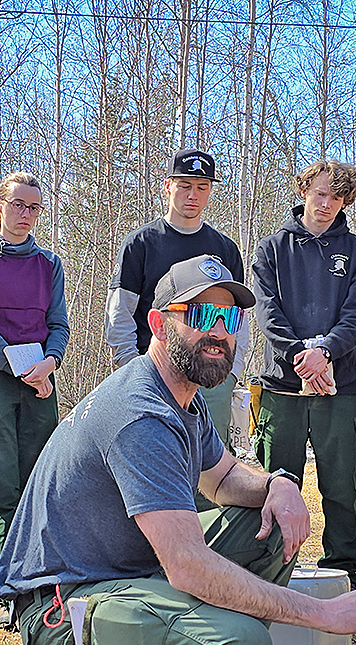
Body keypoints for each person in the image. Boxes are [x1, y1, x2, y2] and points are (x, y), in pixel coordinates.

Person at [0, 255, 356, 645]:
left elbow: (223, 480)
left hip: (123, 575)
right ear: (159, 324)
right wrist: (323, 614)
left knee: (264, 529)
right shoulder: (142, 415)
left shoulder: (184, 395)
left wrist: (278, 483)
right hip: (59, 605)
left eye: (230, 318)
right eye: (203, 316)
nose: (220, 333)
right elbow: (188, 567)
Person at [251, 160, 356, 587]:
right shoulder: (271, 249)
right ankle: (270, 569)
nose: (326, 204)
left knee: (340, 486)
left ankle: (342, 571)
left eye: (336, 198)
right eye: (320, 193)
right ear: (304, 190)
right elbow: (267, 313)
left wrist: (324, 353)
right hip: (282, 388)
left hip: (338, 389)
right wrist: (300, 356)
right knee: (277, 485)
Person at [0, 172, 68, 628]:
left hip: (40, 386)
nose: (25, 214)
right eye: (18, 204)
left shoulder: (49, 264)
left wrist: (49, 363)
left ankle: (36, 586)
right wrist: (17, 368)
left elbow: (58, 325)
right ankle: (1, 589)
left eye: (34, 207)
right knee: (1, 486)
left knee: (39, 486)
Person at [105, 148, 247, 451]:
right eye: (184, 185)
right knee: (153, 459)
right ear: (167, 186)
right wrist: (133, 372)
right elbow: (120, 316)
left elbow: (240, 319)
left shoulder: (225, 249)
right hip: (155, 376)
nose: (193, 195)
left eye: (202, 187)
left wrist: (232, 374)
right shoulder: (141, 244)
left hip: (211, 377)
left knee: (211, 466)